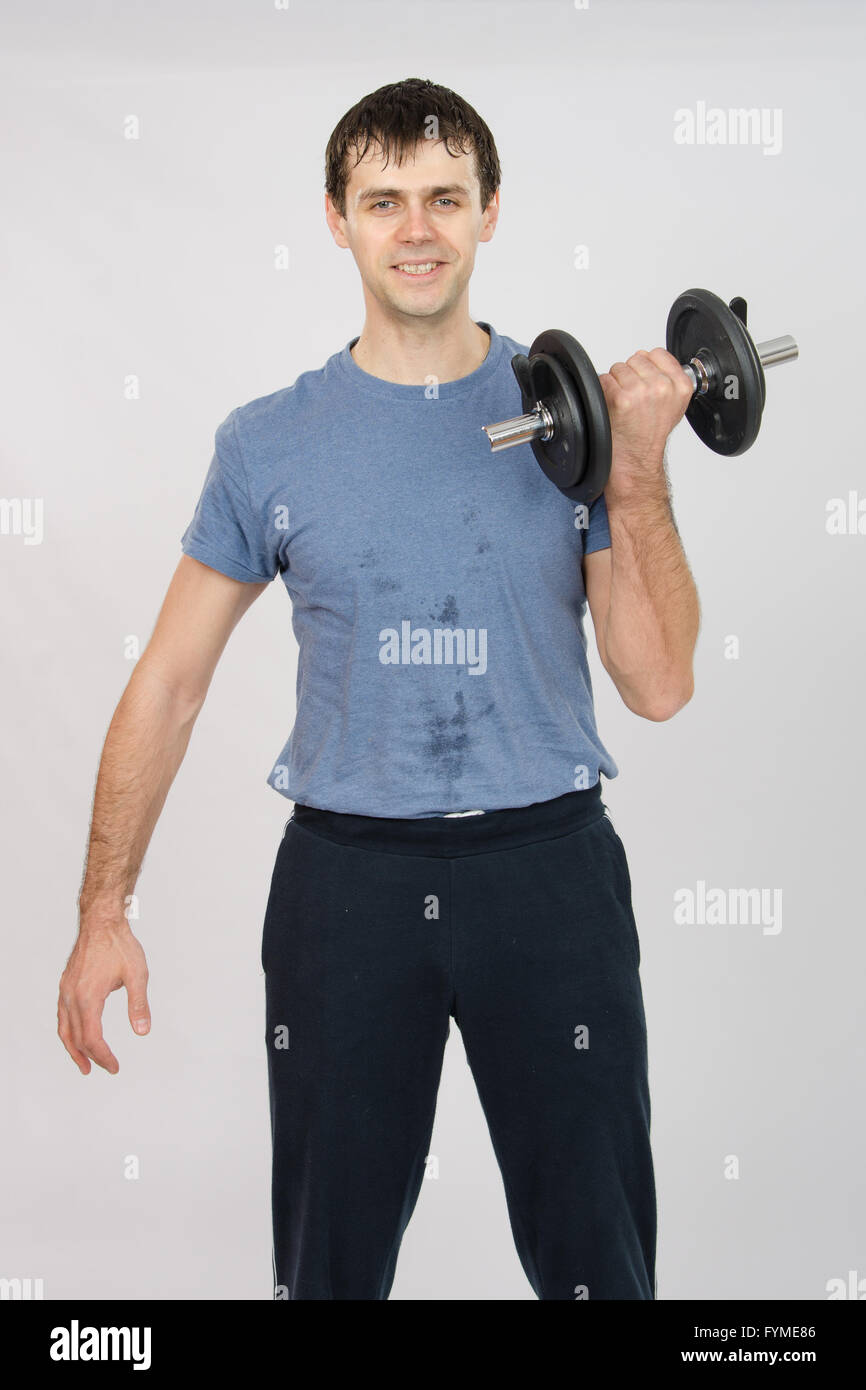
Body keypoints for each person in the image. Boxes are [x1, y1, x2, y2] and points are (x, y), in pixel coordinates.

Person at [58, 77, 700, 1301]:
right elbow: (170, 682)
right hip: (345, 888)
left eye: (445, 197)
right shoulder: (268, 442)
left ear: (489, 213)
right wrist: (104, 908)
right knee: (328, 1272)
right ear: (336, 218)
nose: (417, 228)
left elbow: (658, 684)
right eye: (385, 200)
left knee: (598, 1267)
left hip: (547, 876)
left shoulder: (575, 426)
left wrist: (638, 470)